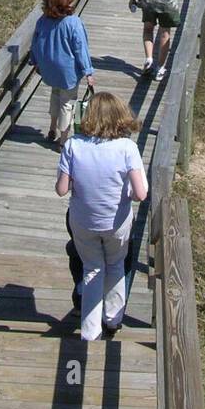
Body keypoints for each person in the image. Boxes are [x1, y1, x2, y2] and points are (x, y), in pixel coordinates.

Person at [55, 92, 148, 341]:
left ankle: (89, 330)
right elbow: (140, 194)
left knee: (92, 269)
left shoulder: (73, 145)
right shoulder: (127, 148)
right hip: (116, 222)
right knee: (116, 264)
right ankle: (113, 318)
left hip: (83, 221)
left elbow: (62, 189)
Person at [30, 0, 94, 143]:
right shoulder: (73, 23)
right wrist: (88, 71)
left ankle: (52, 128)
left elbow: (35, 43)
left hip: (49, 70)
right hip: (68, 72)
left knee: (55, 94)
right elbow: (81, 48)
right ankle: (63, 139)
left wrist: (35, 61)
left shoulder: (43, 20)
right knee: (67, 103)